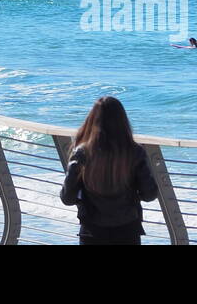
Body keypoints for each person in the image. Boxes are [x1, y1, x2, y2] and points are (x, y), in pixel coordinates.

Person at [58, 96, 158, 244]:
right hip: (127, 231)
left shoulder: (82, 153)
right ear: (123, 122)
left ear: (92, 121)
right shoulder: (135, 152)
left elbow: (67, 198)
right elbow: (149, 194)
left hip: (92, 232)